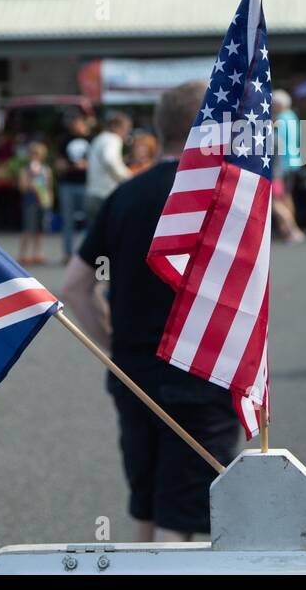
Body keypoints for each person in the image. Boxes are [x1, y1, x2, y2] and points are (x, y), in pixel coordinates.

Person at [60, 81, 241, 543]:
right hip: (202, 377)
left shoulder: (126, 196)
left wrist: (113, 345)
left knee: (146, 509)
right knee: (176, 521)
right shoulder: (227, 196)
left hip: (134, 375)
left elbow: (76, 287)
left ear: (159, 129)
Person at [271, 90, 306, 243]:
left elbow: (275, 143)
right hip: (292, 163)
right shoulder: (292, 117)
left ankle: (291, 229)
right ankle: (288, 229)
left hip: (280, 167)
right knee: (286, 197)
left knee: (278, 200)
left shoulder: (280, 120)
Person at [56, 113, 92, 264]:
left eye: (79, 122)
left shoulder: (93, 139)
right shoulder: (65, 140)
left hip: (86, 184)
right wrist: (63, 166)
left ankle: (86, 254)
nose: (76, 125)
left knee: (88, 221)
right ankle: (68, 253)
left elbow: (97, 163)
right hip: (68, 184)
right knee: (68, 220)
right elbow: (59, 162)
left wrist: (87, 165)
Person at [85, 112, 133, 224]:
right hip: (106, 194)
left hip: (92, 194)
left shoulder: (100, 138)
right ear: (116, 127)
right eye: (126, 129)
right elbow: (110, 160)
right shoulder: (113, 139)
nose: (126, 133)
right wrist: (129, 177)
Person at [17, 141, 53, 266]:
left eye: (38, 154)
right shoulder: (25, 170)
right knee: (28, 228)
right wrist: (31, 181)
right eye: (33, 154)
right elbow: (22, 186)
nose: (35, 156)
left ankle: (38, 253)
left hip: (42, 201)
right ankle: (23, 253)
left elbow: (49, 186)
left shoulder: (46, 170)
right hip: (30, 201)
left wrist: (49, 201)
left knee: (39, 229)